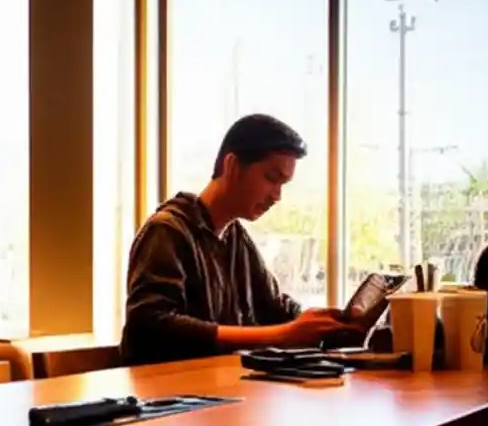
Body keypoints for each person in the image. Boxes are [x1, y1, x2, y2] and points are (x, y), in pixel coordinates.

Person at [121, 114, 358, 365]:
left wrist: (324, 324)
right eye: (271, 178)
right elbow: (151, 324)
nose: (277, 196)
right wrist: (282, 335)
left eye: (283, 184)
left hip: (216, 389)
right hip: (168, 394)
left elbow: (274, 307)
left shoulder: (236, 237)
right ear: (232, 166)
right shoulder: (167, 230)